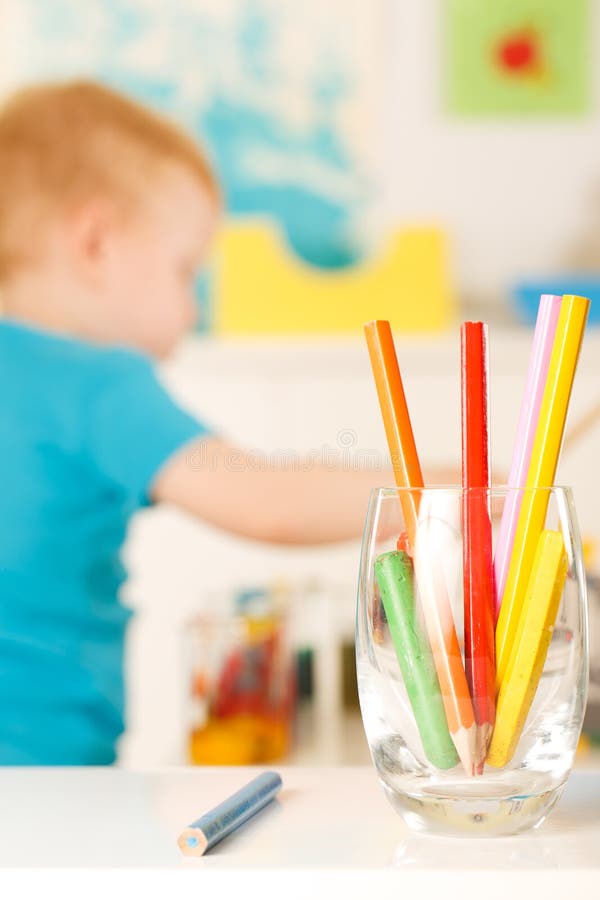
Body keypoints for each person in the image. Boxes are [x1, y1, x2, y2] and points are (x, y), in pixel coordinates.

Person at [0, 80, 450, 765]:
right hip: (40, 778)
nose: (190, 311)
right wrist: (444, 490)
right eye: (186, 273)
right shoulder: (95, 383)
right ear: (96, 245)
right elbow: (266, 498)